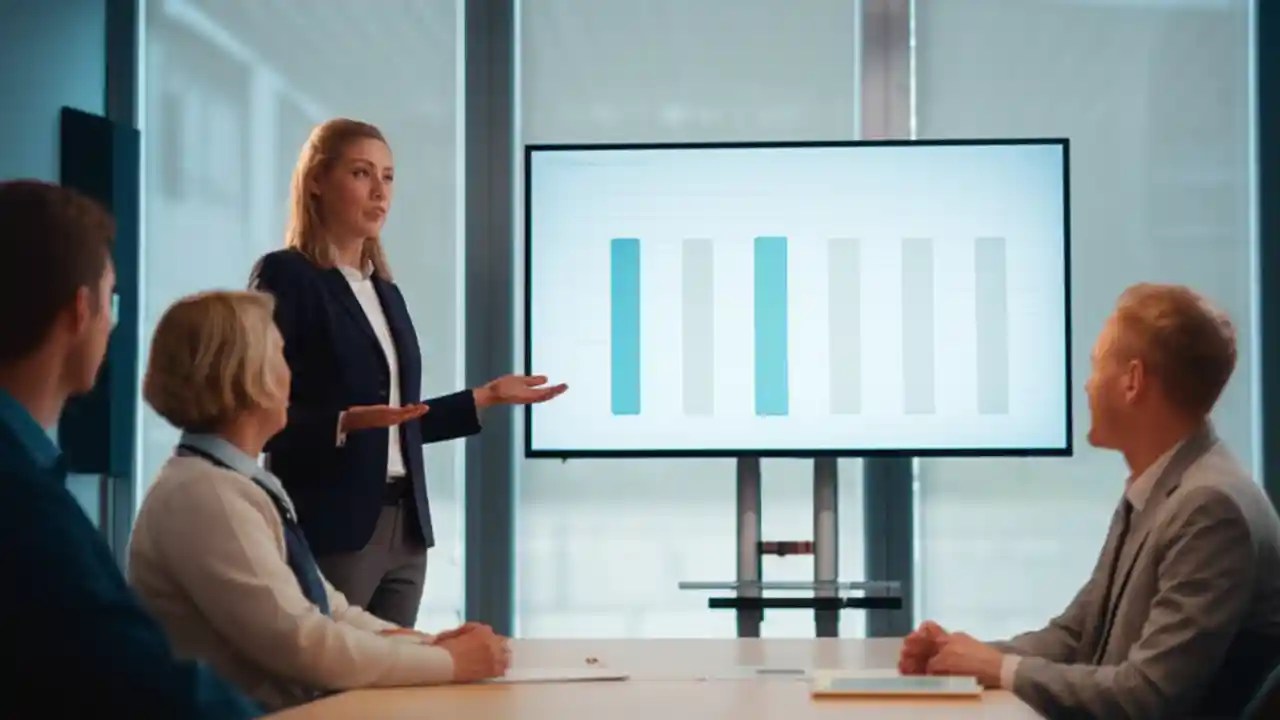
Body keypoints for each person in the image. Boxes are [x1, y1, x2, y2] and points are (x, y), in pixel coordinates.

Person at [899, 283, 1280, 718]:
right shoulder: (1162, 488)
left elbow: (1147, 695)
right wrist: (961, 655)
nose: (1086, 385)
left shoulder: (1209, 508)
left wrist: (999, 667)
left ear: (1132, 381)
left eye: (1097, 365)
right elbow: (1078, 635)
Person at [250, 118, 566, 627]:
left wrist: (484, 397)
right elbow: (257, 411)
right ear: (316, 180)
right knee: (332, 690)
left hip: (406, 529)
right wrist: (343, 423)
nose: (380, 192)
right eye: (361, 174)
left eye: (389, 177)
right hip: (333, 525)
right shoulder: (287, 276)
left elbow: (397, 422)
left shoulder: (385, 292)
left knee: (395, 692)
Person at [128, 290, 510, 710]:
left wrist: (431, 645)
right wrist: (448, 663)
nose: (291, 371)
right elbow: (305, 644)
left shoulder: (234, 482)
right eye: (279, 354)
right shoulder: (205, 498)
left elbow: (330, 609)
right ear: (245, 373)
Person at [0, 180, 260, 717]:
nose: (113, 323)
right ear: (79, 311)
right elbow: (140, 687)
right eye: (111, 298)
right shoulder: (27, 506)